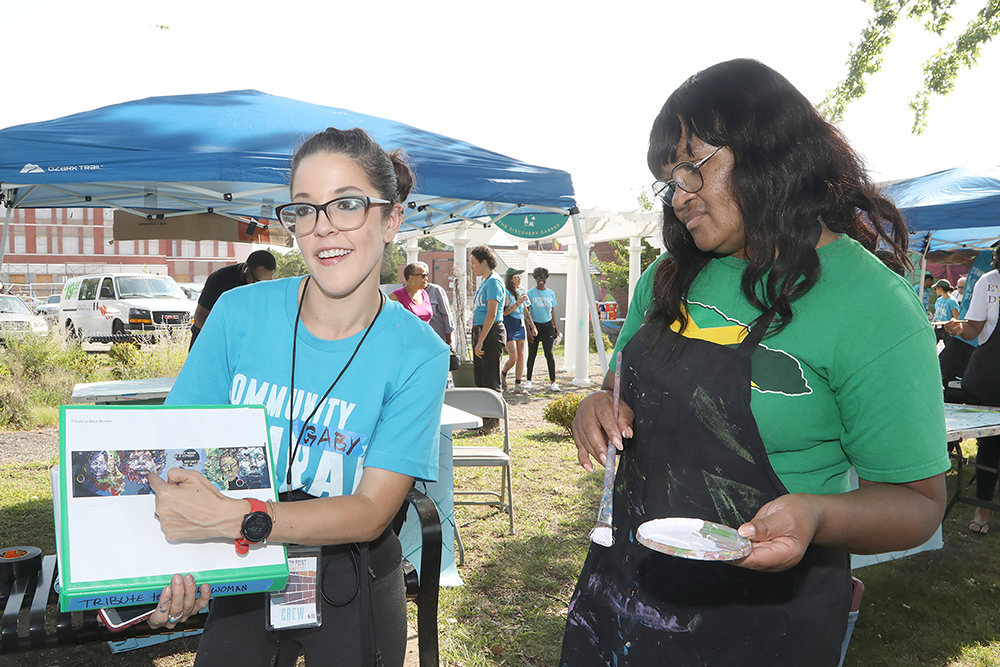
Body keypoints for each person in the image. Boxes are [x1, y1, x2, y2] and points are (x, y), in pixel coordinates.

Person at [562, 59, 948, 667]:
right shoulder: (668, 277)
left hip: (763, 626)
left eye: (693, 168)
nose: (679, 196)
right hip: (624, 590)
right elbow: (621, 383)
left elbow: (919, 504)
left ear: (772, 151)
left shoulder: (873, 308)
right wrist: (597, 405)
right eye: (669, 181)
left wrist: (817, 515)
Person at [145, 127, 449, 667]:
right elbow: (175, 457)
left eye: (347, 205)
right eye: (304, 210)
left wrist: (238, 519)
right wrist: (172, 566)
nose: (323, 228)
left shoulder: (419, 353)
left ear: (391, 219)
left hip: (352, 574)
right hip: (240, 565)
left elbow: (371, 510)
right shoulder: (239, 314)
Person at [945, 246, 1000, 534]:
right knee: (991, 443)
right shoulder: (988, 281)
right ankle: (983, 508)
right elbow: (975, 328)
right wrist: (958, 329)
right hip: (992, 373)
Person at [189, 250, 277, 349]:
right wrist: (231, 336)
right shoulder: (220, 279)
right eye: (256, 281)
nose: (260, 288)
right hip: (207, 341)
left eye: (266, 284)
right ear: (246, 269)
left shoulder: (267, 286)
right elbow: (199, 319)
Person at [469, 245, 506, 393]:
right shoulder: (485, 281)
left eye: (473, 262)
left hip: (490, 333)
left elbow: (492, 313)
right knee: (480, 377)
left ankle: (493, 415)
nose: (472, 267)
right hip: (480, 331)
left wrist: (481, 341)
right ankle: (484, 413)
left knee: (490, 379)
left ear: (484, 262)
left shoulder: (493, 281)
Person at [525, 267, 560, 392]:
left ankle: (553, 381)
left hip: (547, 327)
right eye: (538, 278)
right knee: (532, 354)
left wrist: (556, 329)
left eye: (543, 278)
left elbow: (553, 312)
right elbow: (526, 314)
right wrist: (529, 330)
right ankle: (528, 380)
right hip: (535, 327)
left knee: (549, 354)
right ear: (535, 279)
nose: (541, 280)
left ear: (546, 279)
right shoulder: (530, 293)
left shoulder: (551, 293)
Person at [501, 268, 534, 394]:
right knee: (513, 357)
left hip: (519, 324)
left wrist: (532, 325)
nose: (519, 278)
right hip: (509, 324)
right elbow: (505, 311)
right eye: (517, 276)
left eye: (520, 276)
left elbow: (525, 310)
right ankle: (503, 374)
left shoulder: (521, 290)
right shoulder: (506, 292)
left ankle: (518, 384)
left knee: (521, 355)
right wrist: (519, 302)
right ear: (510, 279)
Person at [424, 280, 455, 347]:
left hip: (438, 339)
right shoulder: (406, 294)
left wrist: (448, 340)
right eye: (423, 276)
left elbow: (447, 315)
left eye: (426, 275)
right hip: (420, 341)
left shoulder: (436, 290)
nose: (425, 278)